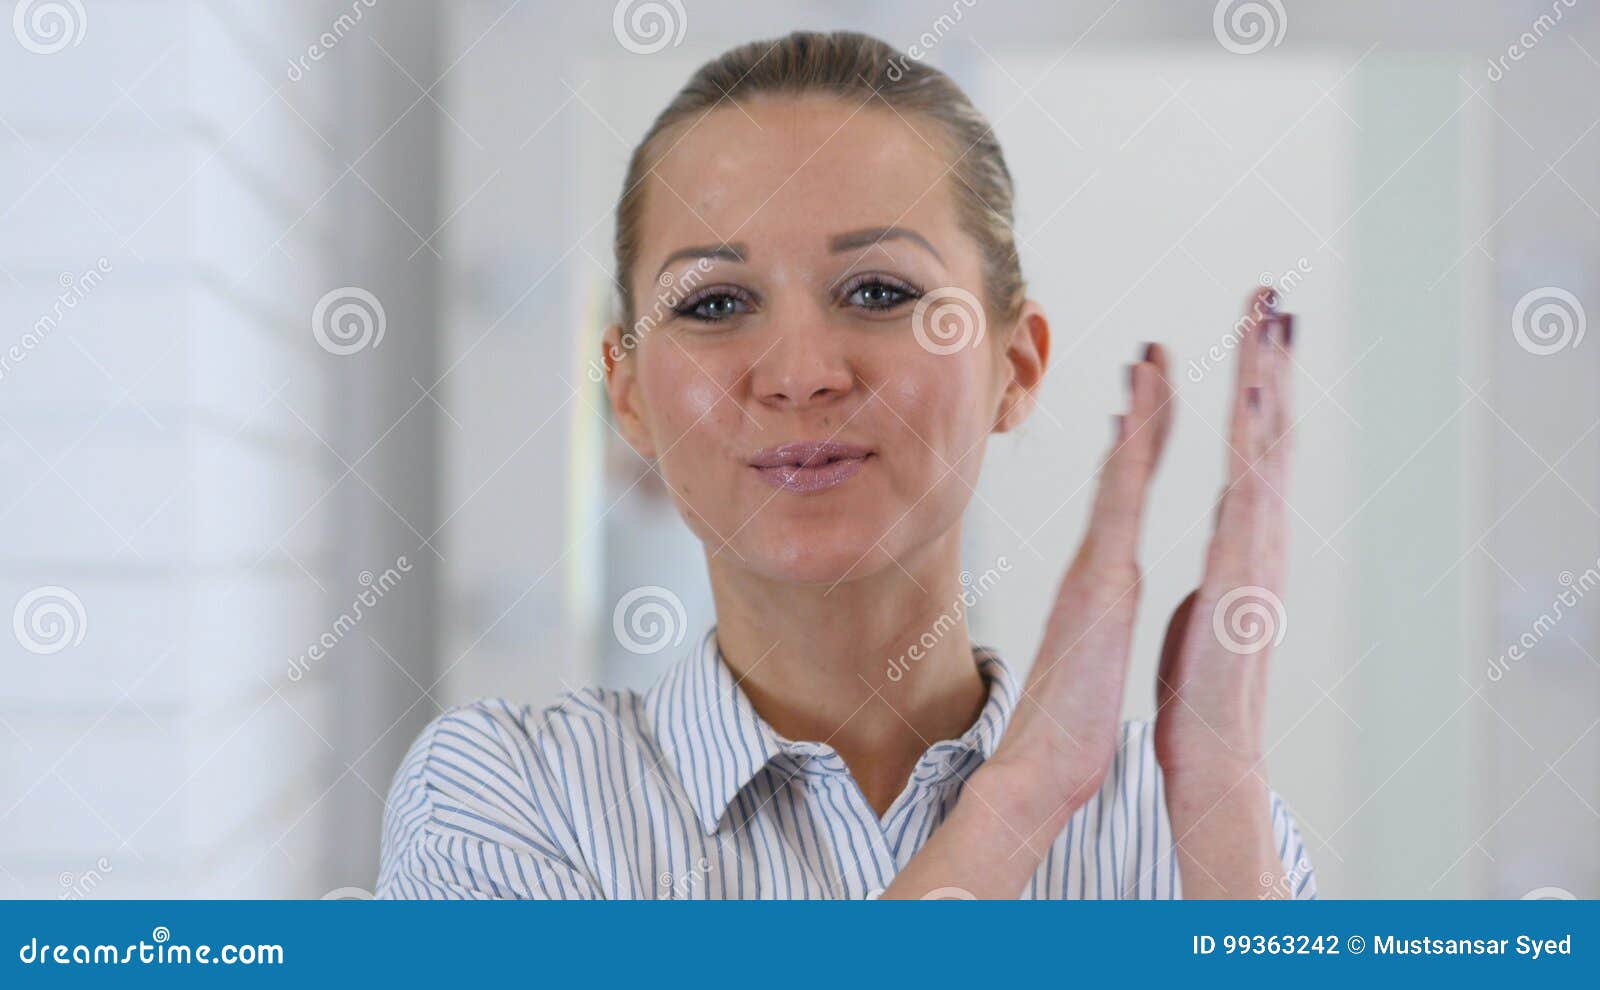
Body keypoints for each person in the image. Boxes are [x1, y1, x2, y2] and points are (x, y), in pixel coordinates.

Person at [377, 29, 1313, 900]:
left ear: (1015, 365)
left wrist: (1221, 813)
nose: (800, 375)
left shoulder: (1203, 825)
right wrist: (1015, 807)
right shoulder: (502, 798)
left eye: (876, 291)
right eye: (713, 303)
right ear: (627, 394)